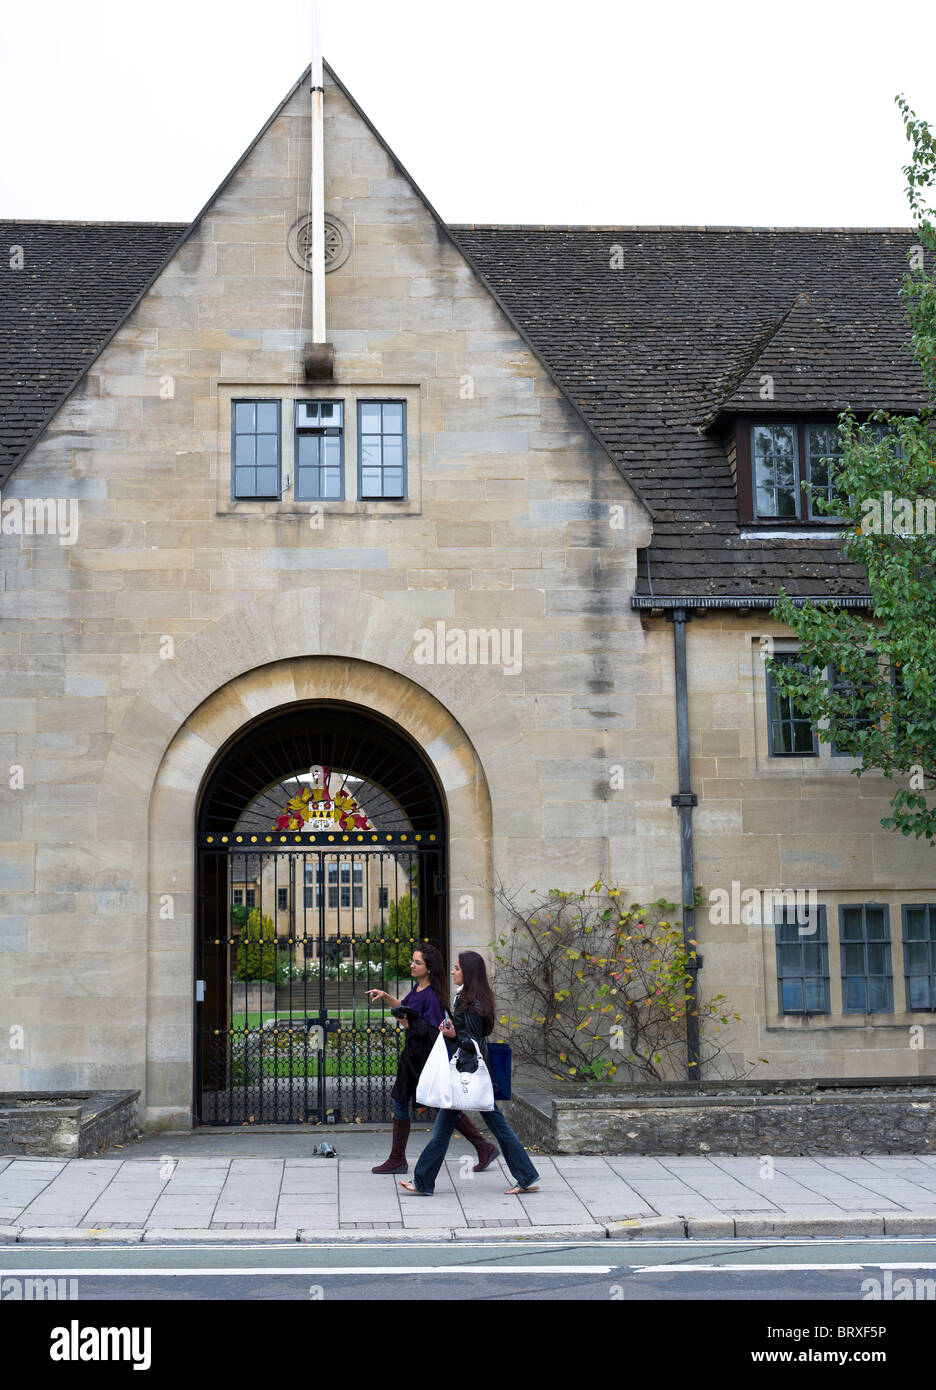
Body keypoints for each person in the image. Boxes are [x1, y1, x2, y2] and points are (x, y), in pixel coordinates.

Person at [399, 951, 540, 1197]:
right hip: (465, 1071)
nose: (452, 971)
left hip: (468, 1072)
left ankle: (423, 1181)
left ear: (468, 972)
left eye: (456, 968)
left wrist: (454, 1035)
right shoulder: (465, 998)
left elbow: (473, 1042)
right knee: (468, 1128)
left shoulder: (474, 1003)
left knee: (451, 1130)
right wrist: (452, 1030)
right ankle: (526, 1176)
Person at [366, 942, 498, 1175]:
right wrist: (387, 997)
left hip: (424, 1059)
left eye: (418, 962)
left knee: (443, 1106)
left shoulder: (433, 996)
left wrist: (409, 1023)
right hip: (412, 1056)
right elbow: (405, 1007)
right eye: (412, 961)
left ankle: (482, 1146)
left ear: (429, 967)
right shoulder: (418, 988)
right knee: (411, 1102)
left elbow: (435, 1032)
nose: (412, 965)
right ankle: (399, 1158)